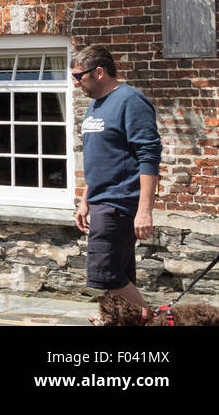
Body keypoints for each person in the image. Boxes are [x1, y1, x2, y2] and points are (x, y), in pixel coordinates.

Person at [73, 45, 161, 311]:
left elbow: (149, 156)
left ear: (98, 72)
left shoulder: (130, 100)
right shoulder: (94, 107)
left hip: (119, 204)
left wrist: (144, 211)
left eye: (79, 77)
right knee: (120, 276)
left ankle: (152, 321)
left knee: (107, 274)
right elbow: (99, 158)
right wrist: (85, 200)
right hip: (100, 202)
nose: (76, 84)